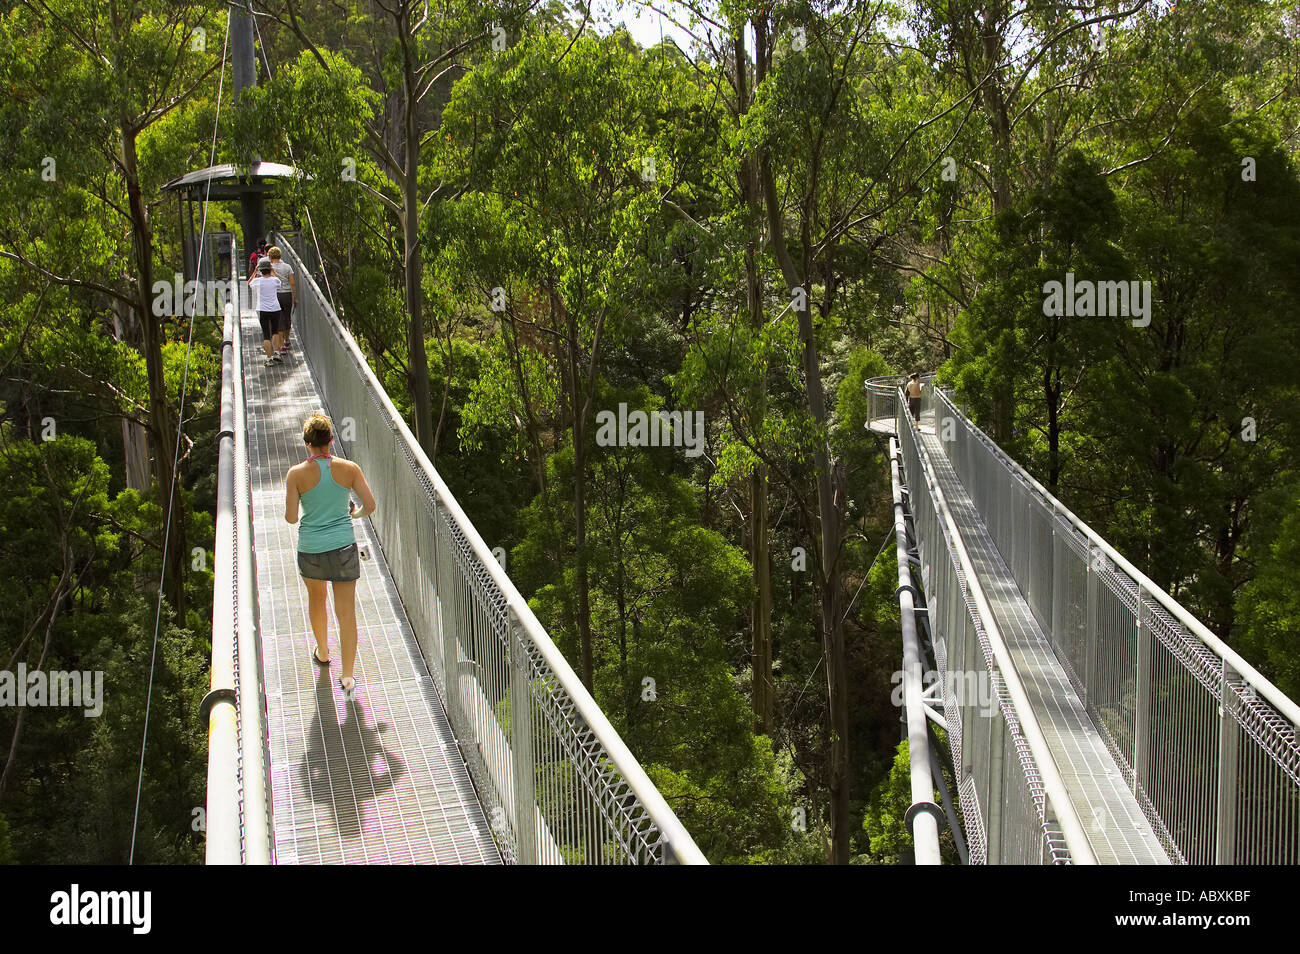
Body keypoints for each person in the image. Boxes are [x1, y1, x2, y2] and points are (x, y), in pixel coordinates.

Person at [284, 413, 377, 700]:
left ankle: (323, 652)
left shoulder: (296, 474)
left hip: (311, 549)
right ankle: (347, 676)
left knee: (317, 602)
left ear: (306, 443)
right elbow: (370, 505)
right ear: (331, 441)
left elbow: (290, 518)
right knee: (346, 612)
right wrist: (353, 514)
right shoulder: (349, 469)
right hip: (343, 548)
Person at [248, 259, 283, 365]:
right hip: (275, 309)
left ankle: (269, 359)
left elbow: (249, 283)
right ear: (270, 269)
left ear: (260, 270)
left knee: (266, 334)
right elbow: (279, 281)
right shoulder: (274, 280)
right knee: (275, 331)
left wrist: (254, 272)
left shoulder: (257, 281)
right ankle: (276, 353)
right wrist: (273, 271)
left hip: (262, 309)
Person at [265, 246, 299, 355]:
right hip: (287, 294)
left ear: (270, 256)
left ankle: (282, 346)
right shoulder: (287, 267)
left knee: (277, 320)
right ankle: (287, 339)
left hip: (275, 295)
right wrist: (295, 296)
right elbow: (292, 283)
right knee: (287, 317)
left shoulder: (269, 268)